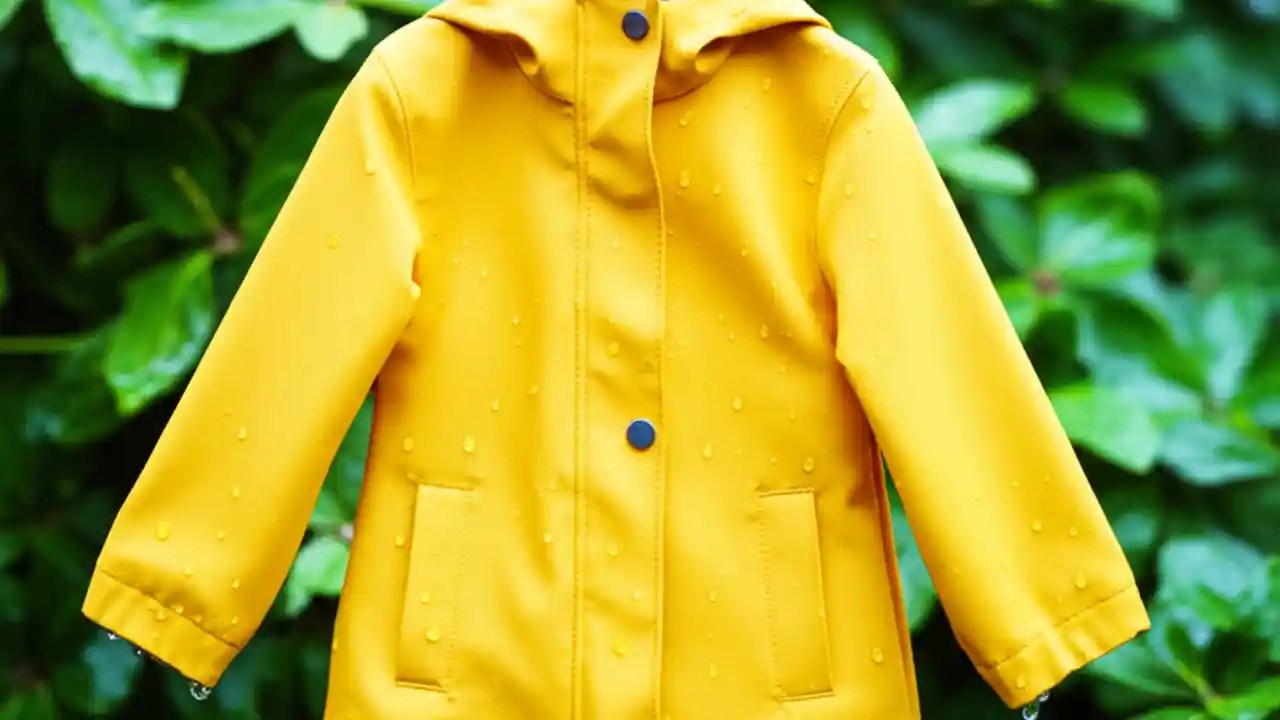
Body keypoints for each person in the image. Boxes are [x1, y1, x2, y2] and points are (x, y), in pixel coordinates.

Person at [82, 0, 1150, 716]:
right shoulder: (421, 88)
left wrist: (1036, 604)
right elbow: (290, 341)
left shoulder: (824, 100)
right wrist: (180, 584)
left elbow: (936, 351)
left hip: (765, 664)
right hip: (476, 658)